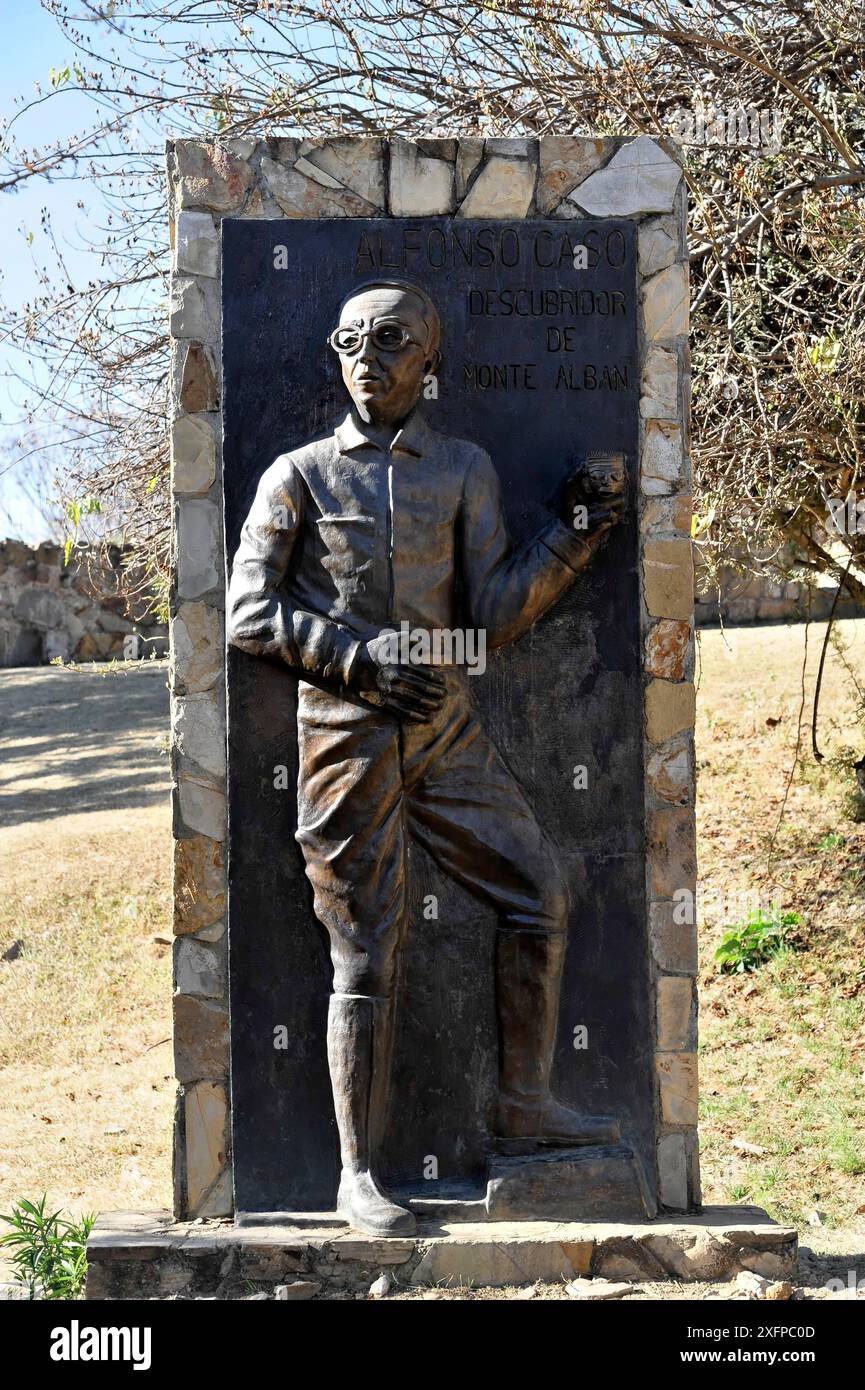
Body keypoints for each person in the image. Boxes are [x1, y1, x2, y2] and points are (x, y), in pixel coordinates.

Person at [227, 278, 624, 1236]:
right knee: (364, 949)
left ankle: (523, 1105)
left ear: (427, 358)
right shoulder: (299, 475)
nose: (369, 353)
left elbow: (488, 616)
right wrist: (355, 661)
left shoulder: (463, 470)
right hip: (342, 738)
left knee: (539, 889)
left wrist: (573, 533)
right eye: (352, 338)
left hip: (445, 729)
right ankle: (356, 1174)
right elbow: (248, 612)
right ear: (335, 351)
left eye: (392, 338)